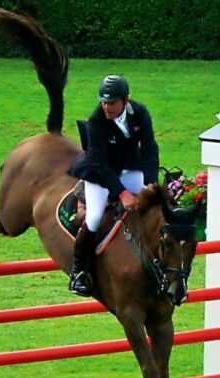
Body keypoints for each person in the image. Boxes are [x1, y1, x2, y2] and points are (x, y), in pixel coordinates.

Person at [66, 74, 160, 296]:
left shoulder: (140, 112)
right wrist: (122, 193)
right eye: (103, 101)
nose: (106, 106)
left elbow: (149, 149)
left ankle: (160, 263)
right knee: (95, 217)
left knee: (154, 204)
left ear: (125, 100)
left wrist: (151, 182)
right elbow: (100, 163)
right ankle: (78, 272)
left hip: (129, 167)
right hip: (100, 173)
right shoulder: (97, 120)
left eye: (111, 102)